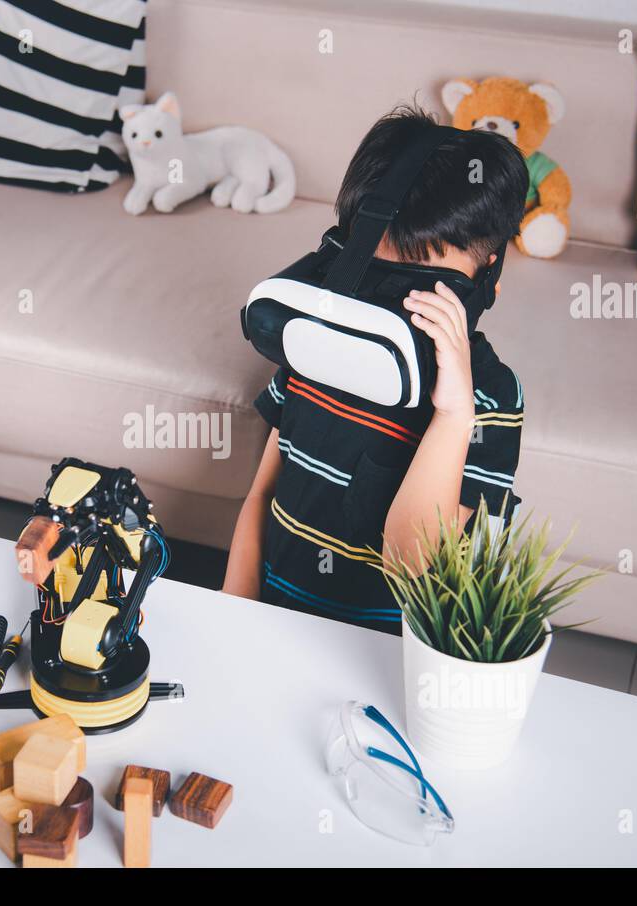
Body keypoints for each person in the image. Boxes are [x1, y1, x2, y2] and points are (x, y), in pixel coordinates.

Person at [222, 105, 529, 634]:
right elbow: (260, 497)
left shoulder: (490, 399)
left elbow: (414, 567)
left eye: (423, 292)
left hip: (381, 661)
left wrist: (453, 416)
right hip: (267, 625)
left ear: (490, 278)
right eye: (378, 278)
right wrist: (233, 616)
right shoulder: (313, 349)